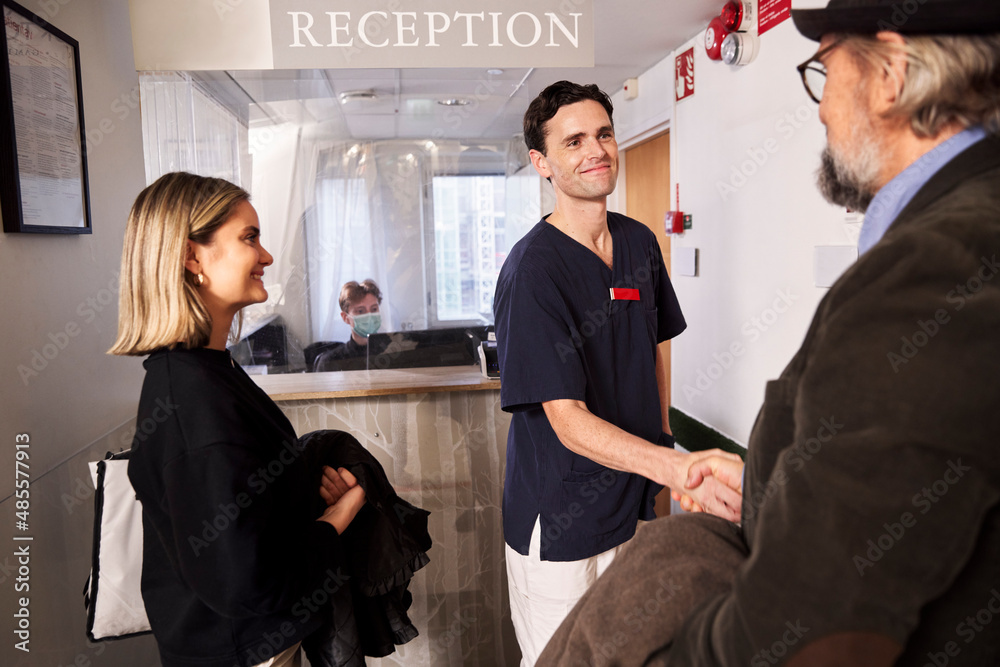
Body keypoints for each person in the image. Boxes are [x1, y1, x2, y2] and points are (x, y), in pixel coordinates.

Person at [539, 1, 1000, 665]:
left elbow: (813, 623)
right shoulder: (533, 268)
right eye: (572, 141)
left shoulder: (933, 270)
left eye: (825, 73)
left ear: (891, 75)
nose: (821, 108)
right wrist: (754, 480)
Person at [493, 81, 743, 666]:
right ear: (542, 164)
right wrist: (678, 467)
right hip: (559, 519)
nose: (595, 150)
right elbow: (568, 422)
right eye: (574, 140)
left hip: (631, 503)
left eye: (603, 133)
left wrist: (660, 461)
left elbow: (650, 352)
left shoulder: (638, 243)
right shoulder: (533, 271)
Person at [110, 172, 367, 667]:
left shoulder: (209, 370)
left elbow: (237, 506)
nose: (267, 256)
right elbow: (241, 580)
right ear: (191, 258)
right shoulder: (192, 397)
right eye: (250, 238)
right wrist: (339, 516)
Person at [311, 279, 389, 371]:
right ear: (345, 317)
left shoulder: (394, 352)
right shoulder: (330, 362)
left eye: (374, 309)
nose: (369, 315)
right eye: (360, 311)